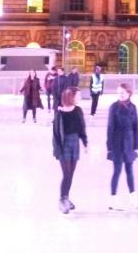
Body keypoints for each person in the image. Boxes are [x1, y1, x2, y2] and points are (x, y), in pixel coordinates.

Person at [52, 86, 88, 214]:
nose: (80, 98)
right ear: (70, 97)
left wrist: (85, 142)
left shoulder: (78, 110)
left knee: (71, 175)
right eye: (78, 96)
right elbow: (56, 135)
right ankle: (62, 200)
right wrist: (57, 151)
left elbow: (82, 128)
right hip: (63, 145)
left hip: (74, 144)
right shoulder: (60, 114)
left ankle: (66, 197)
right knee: (66, 174)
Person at [107, 83, 138, 211]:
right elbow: (110, 128)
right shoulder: (113, 107)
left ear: (129, 94)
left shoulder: (133, 108)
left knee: (130, 171)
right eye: (118, 93)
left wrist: (136, 144)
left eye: (123, 93)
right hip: (117, 142)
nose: (120, 95)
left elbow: (136, 126)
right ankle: (113, 200)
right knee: (117, 171)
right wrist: (109, 146)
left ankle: (133, 198)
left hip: (129, 142)